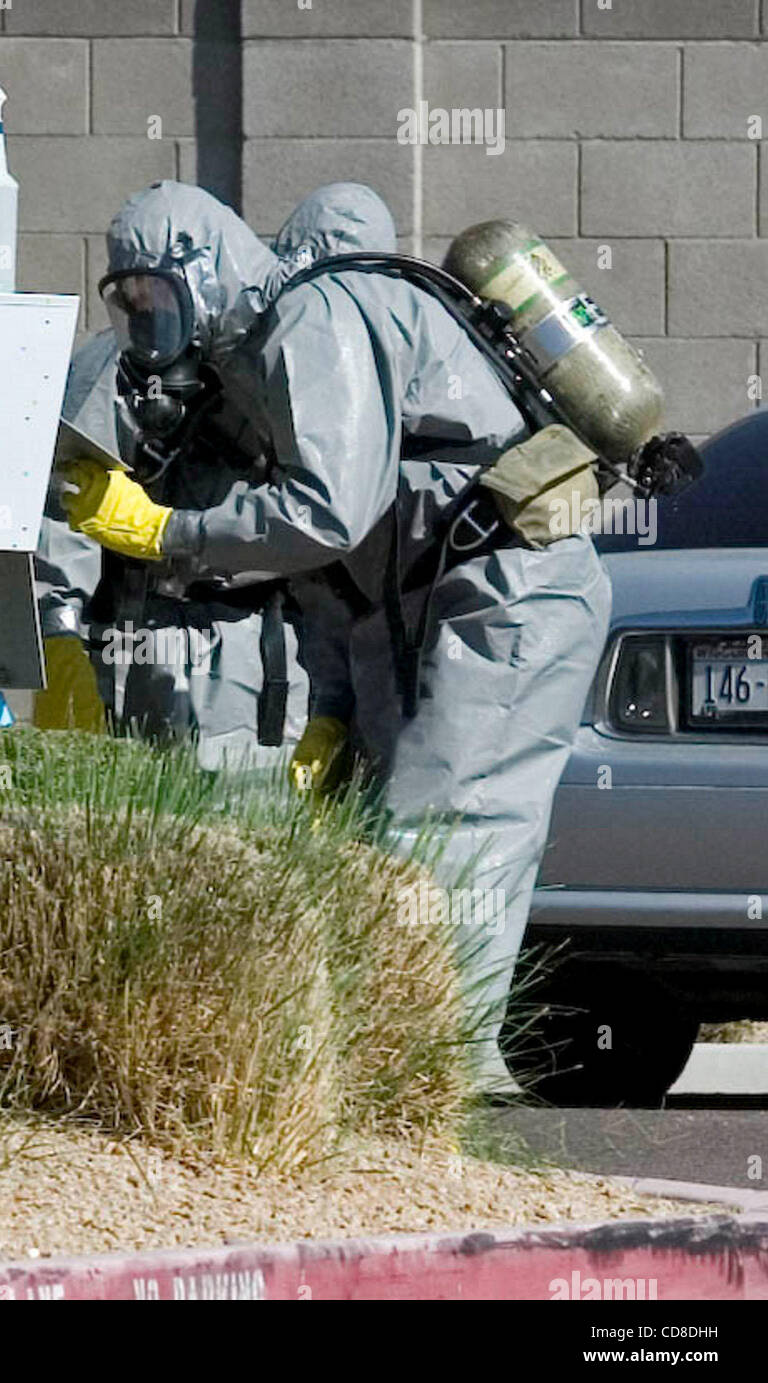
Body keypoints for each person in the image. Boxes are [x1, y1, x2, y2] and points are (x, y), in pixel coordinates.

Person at [61, 179, 612, 1088]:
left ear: (206, 271)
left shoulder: (315, 316)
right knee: (388, 828)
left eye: (157, 295)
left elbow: (326, 513)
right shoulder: (256, 348)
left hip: (506, 594)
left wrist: (166, 534)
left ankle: (437, 1076)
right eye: (130, 303)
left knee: (444, 826)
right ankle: (399, 1066)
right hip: (421, 601)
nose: (147, 321)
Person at [33, 222, 310, 774]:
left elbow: (326, 526)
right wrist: (58, 636)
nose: (146, 310)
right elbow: (59, 504)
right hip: (136, 646)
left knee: (253, 832)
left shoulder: (290, 367)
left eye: (155, 292)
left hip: (263, 650)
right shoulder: (109, 368)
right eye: (132, 297)